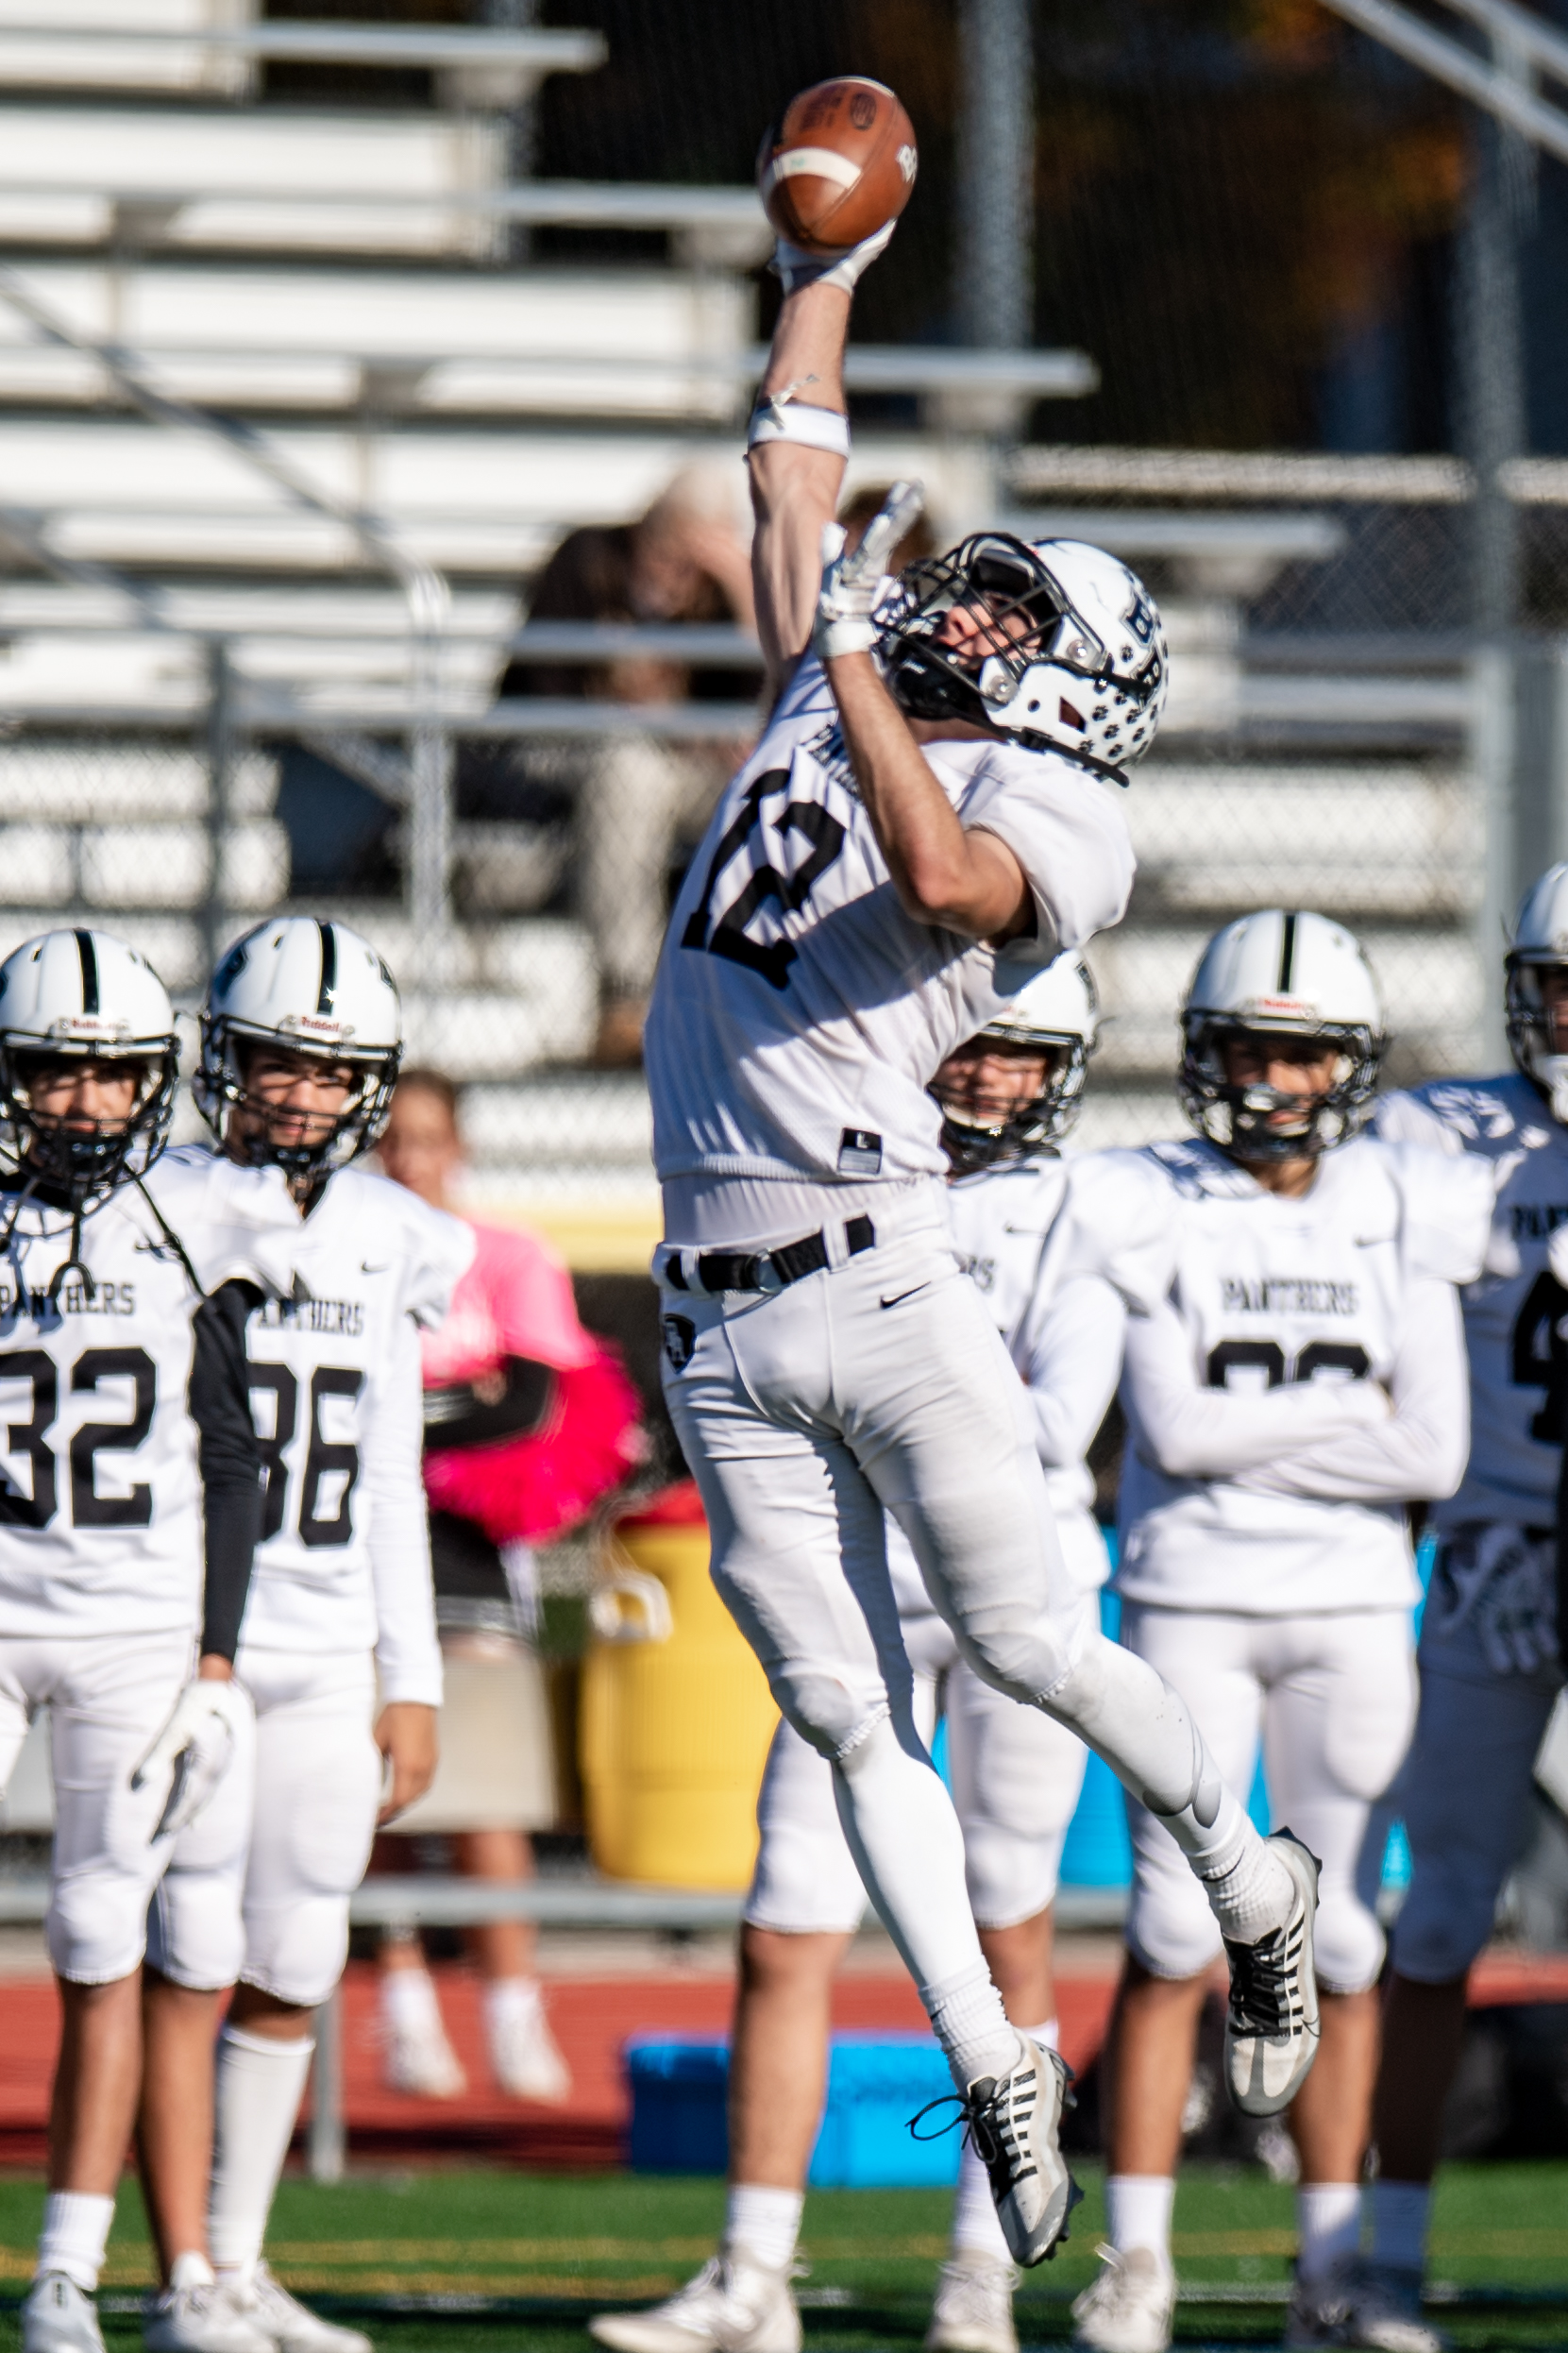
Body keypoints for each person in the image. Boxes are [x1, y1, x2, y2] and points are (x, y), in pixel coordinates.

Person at [642, 206, 1322, 2272]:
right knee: (846, 1722)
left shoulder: (1059, 815)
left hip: (877, 1262)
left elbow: (942, 885)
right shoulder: (825, 685)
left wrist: (847, 648)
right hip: (709, 1309)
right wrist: (819, 263)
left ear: (1079, 690)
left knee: (1020, 1644)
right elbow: (791, 465)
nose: (967, 611)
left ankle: (1235, 1863)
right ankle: (986, 2052)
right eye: (974, 592)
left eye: (1010, 613)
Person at [594, 954, 1179, 2353]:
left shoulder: (1083, 1208)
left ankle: (981, 2264)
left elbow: (1054, 1417)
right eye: (967, 1047)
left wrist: (877, 1370)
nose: (983, 1075)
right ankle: (752, 2272)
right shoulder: (844, 1178)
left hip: (1010, 1602)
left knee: (1008, 1922)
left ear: (1066, 1065)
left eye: (1016, 1053)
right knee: (784, 1920)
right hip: (858, 1589)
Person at [1070, 910, 1492, 2353]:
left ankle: (1339, 2264)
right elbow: (1169, 1430)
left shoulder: (1395, 1201)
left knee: (1349, 1942)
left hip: (1352, 1609)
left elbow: (1433, 1450)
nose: (1276, 1079)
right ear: (1205, 1050)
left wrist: (1262, 1442)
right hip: (1188, 1595)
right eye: (1254, 1046)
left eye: (1306, 1052)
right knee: (1173, 1928)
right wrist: (1339, 1426)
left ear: (1349, 1066)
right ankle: (1136, 2261)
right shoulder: (1146, 1194)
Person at [134, 920, 474, 2353]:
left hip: (333, 1642)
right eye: (273, 1063)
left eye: (328, 1072)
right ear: (226, 1059)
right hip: (186, 1642)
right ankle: (179, 2274)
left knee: (297, 1951)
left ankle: (243, 2257)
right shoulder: (155, 1206)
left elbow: (392, 1467)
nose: (296, 1095)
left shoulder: (399, 1237)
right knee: (188, 1945)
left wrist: (417, 1674)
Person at [0, 929, 299, 2353]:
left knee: (100, 1937)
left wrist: (221, 1658)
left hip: (133, 1632)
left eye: (114, 1079)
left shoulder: (199, 1218)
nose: (84, 1105)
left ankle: (67, 2267)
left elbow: (234, 1453)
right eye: (57, 1075)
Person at [1343, 863, 1568, 2351]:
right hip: (1492, 1547)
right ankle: (1380, 2263)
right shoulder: (1435, 1134)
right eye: (1558, 983)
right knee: (1435, 1914)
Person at [371, 1065, 641, 2102]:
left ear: (461, 1150)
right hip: (357, 1547)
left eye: (429, 1139)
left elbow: (526, 1405)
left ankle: (511, 2008)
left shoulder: (510, 1254)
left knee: (482, 1789)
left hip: (472, 1549)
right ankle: (400, 2009)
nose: (409, 1159)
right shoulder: (344, 1248)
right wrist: (451, 1404)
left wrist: (405, 1422)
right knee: (374, 1787)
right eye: (390, 1138)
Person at [486, 463, 759, 1065]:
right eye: (668, 552)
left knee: (763, 789)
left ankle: (743, 998)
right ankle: (627, 996)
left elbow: (752, 709)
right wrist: (632, 711)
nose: (675, 574)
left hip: (674, 772)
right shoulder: (587, 556)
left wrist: (740, 589)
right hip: (558, 752)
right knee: (626, 768)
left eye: (694, 562)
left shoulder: (714, 593)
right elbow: (538, 682)